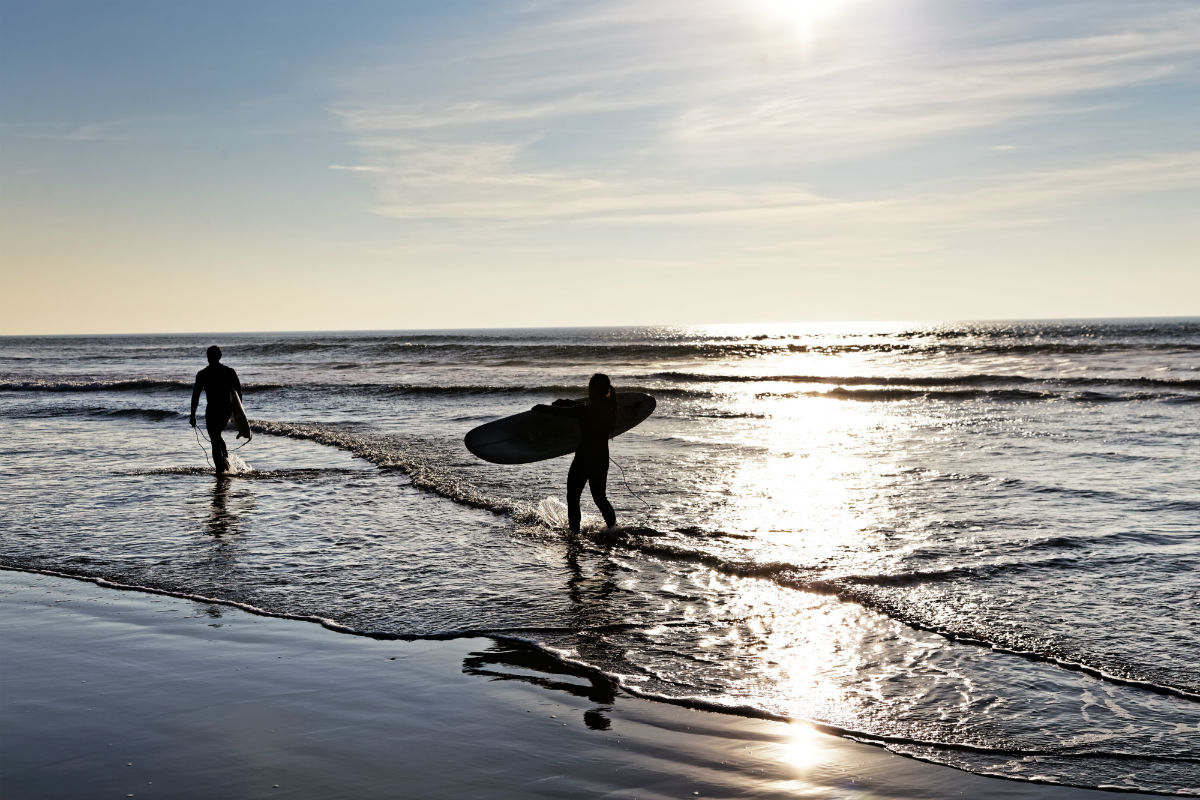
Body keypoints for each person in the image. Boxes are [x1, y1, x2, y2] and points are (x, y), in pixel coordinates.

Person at [534, 373, 618, 536]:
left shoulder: (585, 410)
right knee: (600, 498)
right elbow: (579, 408)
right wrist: (566, 403)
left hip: (584, 459)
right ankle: (613, 530)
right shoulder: (610, 409)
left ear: (592, 390)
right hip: (601, 459)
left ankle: (574, 534)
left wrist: (541, 408)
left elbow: (566, 413)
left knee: (573, 499)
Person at [189, 345, 243, 473]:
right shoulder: (229, 372)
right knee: (216, 436)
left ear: (208, 357)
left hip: (213, 409)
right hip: (226, 409)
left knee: (214, 438)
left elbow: (195, 396)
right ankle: (225, 462)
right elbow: (239, 394)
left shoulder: (203, 374)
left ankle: (220, 470)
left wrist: (192, 415)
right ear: (220, 356)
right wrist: (237, 413)